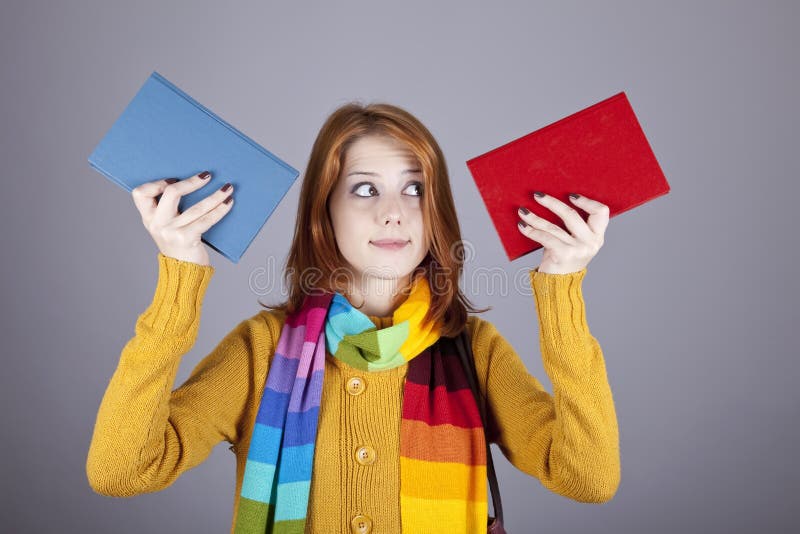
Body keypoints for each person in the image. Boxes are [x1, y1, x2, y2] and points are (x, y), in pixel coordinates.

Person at [86, 102, 620, 534]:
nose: (394, 210)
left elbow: (588, 478)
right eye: (365, 188)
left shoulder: (473, 350)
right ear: (325, 209)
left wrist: (562, 287)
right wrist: (179, 278)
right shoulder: (262, 351)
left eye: (415, 188)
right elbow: (122, 469)